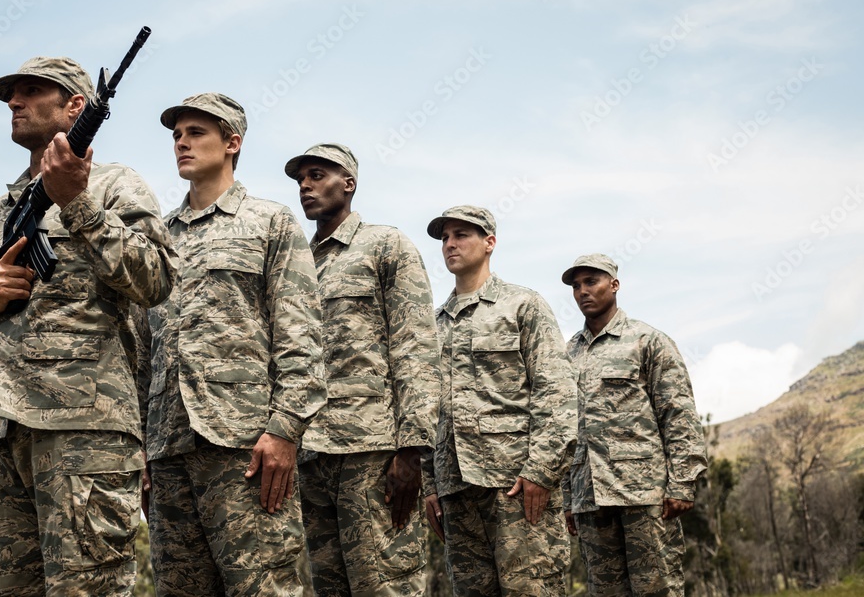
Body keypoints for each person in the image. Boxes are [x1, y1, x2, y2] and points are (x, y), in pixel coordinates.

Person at [0, 56, 177, 596]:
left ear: (76, 106)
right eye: (12, 94)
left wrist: (78, 204)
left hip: (85, 430)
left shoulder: (115, 186)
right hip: (4, 436)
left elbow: (157, 280)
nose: (15, 102)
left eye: (32, 91)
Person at [144, 93, 326, 596]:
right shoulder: (156, 236)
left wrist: (286, 431)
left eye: (196, 132)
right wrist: (142, 449)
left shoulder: (270, 221)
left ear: (232, 143)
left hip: (245, 447)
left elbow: (301, 336)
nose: (181, 142)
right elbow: (144, 346)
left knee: (264, 587)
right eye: (176, 134)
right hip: (168, 447)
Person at [284, 144, 440, 596]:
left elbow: (416, 348)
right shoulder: (295, 262)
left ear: (348, 183)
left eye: (316, 175)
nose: (306, 186)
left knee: (385, 586)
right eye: (300, 181)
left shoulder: (385, 245)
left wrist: (412, 450)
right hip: (311, 456)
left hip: (372, 453)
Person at [422, 206, 577, 596]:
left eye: (461, 235)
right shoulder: (433, 324)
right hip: (456, 491)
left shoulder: (522, 306)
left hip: (516, 486)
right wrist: (429, 485)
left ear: (490, 242)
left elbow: (557, 394)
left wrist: (541, 471)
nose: (450, 244)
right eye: (444, 238)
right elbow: (424, 410)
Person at [560, 253, 708, 597]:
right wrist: (568, 498)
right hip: (589, 497)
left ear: (614, 285)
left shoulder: (647, 341)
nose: (583, 291)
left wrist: (683, 483)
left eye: (591, 282)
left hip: (644, 493)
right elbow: (564, 432)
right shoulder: (567, 355)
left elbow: (678, 413)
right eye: (576, 285)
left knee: (656, 589)